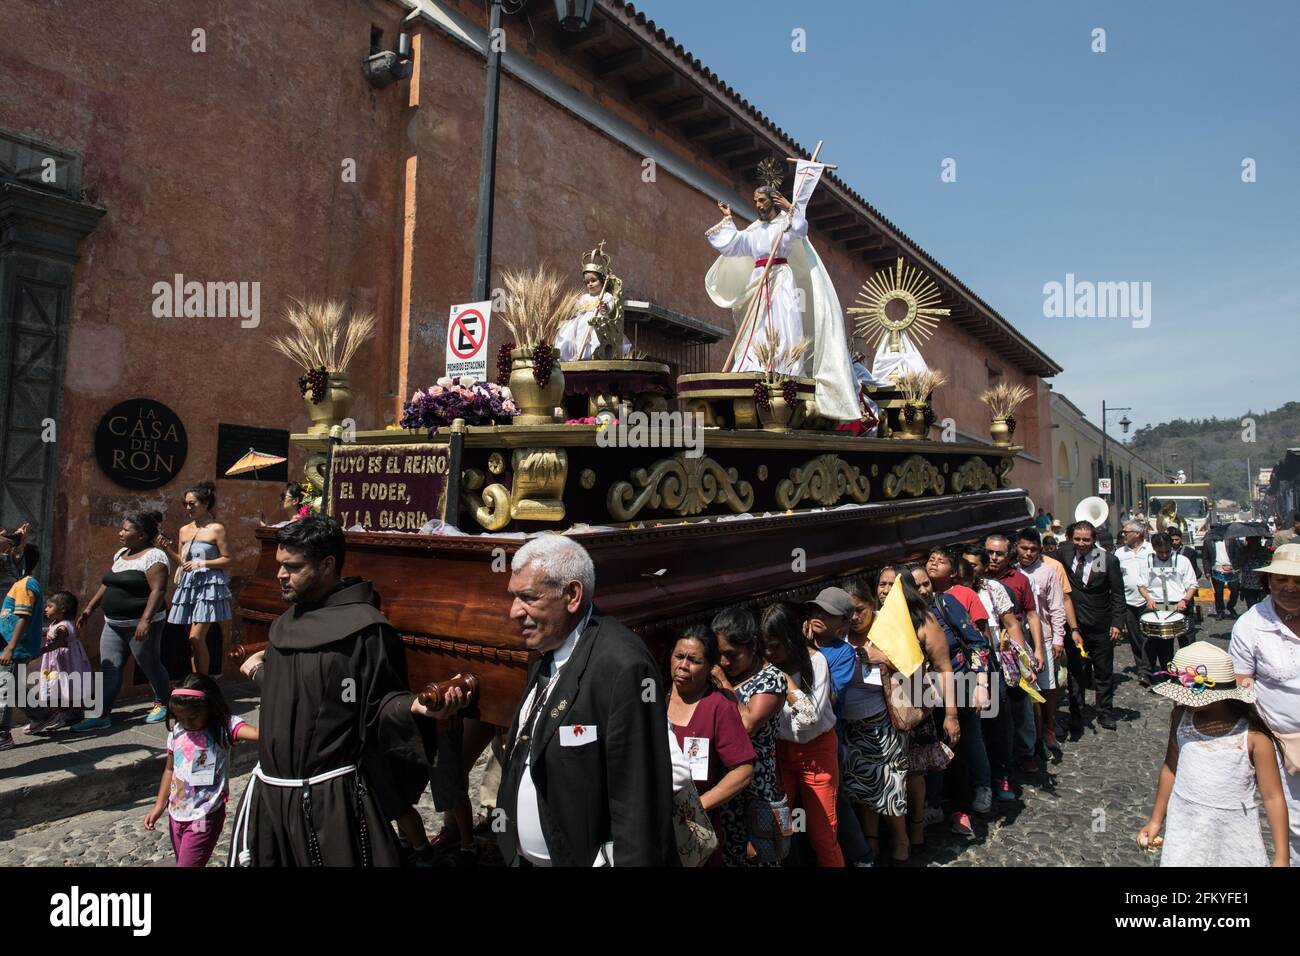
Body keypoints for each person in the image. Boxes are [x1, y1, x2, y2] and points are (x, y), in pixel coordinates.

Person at [228, 516, 468, 866]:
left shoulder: (364, 631)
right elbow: (301, 695)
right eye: (280, 565)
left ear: (327, 565)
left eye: (292, 567)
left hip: (332, 800)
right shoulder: (283, 624)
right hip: (271, 795)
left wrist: (414, 707)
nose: (280, 575)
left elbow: (374, 703)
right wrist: (263, 671)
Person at [497, 535, 674, 867]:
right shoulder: (545, 650)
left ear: (572, 595)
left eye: (528, 597)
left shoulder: (623, 667)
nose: (514, 612)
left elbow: (638, 797)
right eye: (513, 597)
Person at [705, 182, 858, 421]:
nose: (758, 205)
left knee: (783, 322)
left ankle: (784, 367)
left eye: (762, 200)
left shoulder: (784, 226)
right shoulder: (754, 231)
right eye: (756, 201)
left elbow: (801, 230)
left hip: (780, 279)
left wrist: (791, 209)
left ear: (773, 201)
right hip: (758, 279)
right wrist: (728, 219)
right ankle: (752, 365)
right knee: (756, 327)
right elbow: (735, 245)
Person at [1137, 643, 1288, 867]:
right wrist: (1156, 820)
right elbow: (1171, 768)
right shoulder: (1180, 717)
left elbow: (1273, 796)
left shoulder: (1253, 737)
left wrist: (1282, 857)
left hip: (1234, 833)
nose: (1183, 701)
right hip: (1186, 825)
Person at [1229, 543, 1300, 866]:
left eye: (1298, 581)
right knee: (1295, 822)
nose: (1290, 588)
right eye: (1281, 580)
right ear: (1268, 582)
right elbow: (1243, 685)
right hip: (1283, 743)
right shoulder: (1251, 623)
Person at [144, 673, 259, 867]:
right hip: (176, 815)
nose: (186, 722)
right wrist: (159, 805)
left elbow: (257, 733)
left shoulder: (224, 728)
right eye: (180, 717)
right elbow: (169, 770)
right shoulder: (177, 732)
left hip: (204, 816)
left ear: (210, 707)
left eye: (193, 717)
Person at [880, 566, 958, 850]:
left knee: (914, 772)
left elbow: (944, 669)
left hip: (914, 709)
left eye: (892, 585)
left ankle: (916, 828)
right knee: (890, 772)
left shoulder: (924, 621)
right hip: (881, 713)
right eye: (882, 584)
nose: (885, 590)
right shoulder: (875, 622)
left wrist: (951, 715)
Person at [72, 512, 172, 732]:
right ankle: (101, 715)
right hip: (113, 624)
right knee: (109, 667)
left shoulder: (154, 557)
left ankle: (162, 702)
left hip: (142, 624)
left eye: (126, 530)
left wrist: (145, 621)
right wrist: (90, 608)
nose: (121, 533)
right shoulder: (122, 554)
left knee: (149, 663)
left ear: (142, 535)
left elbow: (159, 590)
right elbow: (108, 583)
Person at [666, 625, 755, 866]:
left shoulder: (719, 707)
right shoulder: (654, 699)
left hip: (696, 829)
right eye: (678, 657)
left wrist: (700, 804)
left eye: (693, 660)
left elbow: (743, 770)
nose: (683, 666)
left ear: (709, 667)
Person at [764, 602, 844, 867]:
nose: (769, 653)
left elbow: (809, 720)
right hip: (781, 755)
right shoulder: (764, 666)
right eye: (766, 646)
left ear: (790, 639)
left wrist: (786, 683)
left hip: (816, 754)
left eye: (775, 646)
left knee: (823, 834)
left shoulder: (815, 661)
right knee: (780, 827)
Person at [912, 564, 989, 835]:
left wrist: (981, 682)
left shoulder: (946, 603)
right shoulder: (902, 617)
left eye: (926, 584)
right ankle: (933, 805)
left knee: (959, 748)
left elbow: (977, 642)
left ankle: (961, 809)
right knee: (929, 750)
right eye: (917, 585)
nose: (923, 590)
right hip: (920, 694)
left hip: (959, 686)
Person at [712, 605, 787, 867]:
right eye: (720, 655)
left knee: (761, 856)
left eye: (732, 655)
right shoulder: (722, 673)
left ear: (753, 647)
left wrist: (722, 684)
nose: (724, 663)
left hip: (757, 790)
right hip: (725, 786)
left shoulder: (772, 679)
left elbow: (745, 725)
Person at [841, 576, 909, 862]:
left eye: (860, 610)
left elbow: (913, 667)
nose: (855, 617)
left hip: (884, 721)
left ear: (872, 605)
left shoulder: (887, 629)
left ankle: (901, 838)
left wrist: (880, 657)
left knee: (890, 784)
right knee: (860, 785)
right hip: (849, 723)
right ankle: (871, 840)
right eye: (849, 612)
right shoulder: (837, 631)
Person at [960, 545, 1030, 802]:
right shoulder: (952, 593)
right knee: (971, 730)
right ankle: (976, 782)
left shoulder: (992, 589)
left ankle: (1001, 776)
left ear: (982, 568)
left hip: (993, 667)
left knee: (996, 726)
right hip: (963, 670)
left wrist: (1025, 660)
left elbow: (1011, 623)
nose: (967, 571)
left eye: (973, 566)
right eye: (964, 565)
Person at [1057, 521, 1126, 734]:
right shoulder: (1064, 555)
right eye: (1077, 539)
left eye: (1086, 539)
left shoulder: (1105, 560)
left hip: (1101, 625)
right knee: (1076, 673)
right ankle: (1077, 714)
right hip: (1075, 625)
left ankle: (1105, 711)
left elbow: (1117, 594)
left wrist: (1117, 623)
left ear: (1094, 539)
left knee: (1103, 672)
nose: (1081, 543)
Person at [159, 480, 233, 675]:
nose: (188, 507)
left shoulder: (217, 528)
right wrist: (166, 548)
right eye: (186, 504)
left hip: (209, 587)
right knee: (191, 641)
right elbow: (183, 562)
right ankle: (197, 680)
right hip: (189, 585)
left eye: (192, 503)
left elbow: (228, 559)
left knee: (196, 637)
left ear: (205, 503)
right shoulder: (184, 530)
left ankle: (203, 682)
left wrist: (202, 563)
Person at [984, 534, 1043, 772]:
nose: (994, 557)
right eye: (989, 552)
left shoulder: (1019, 579)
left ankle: (1027, 751)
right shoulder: (978, 577)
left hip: (1013, 647)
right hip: (989, 650)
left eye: (998, 553)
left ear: (1009, 555)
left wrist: (1036, 650)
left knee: (1021, 702)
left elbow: (1031, 615)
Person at [1016, 528, 1066, 762]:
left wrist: (1058, 638)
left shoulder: (1047, 572)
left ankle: (1048, 725)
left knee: (1047, 685)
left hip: (1043, 636)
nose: (1028, 553)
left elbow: (1056, 607)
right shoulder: (1011, 571)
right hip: (1018, 638)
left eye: (1033, 549)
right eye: (1024, 548)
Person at [27, 591, 93, 733]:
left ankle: (63, 714)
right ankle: (72, 712)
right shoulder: (58, 623)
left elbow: (59, 644)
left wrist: (40, 651)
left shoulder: (62, 627)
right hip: (62, 660)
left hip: (64, 661)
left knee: (62, 685)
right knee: (62, 685)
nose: (46, 609)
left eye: (50, 606)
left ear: (62, 609)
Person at [1139, 533, 1200, 683]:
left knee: (1187, 642)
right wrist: (1148, 598)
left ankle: (1190, 674)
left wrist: (1185, 599)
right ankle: (1158, 673)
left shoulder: (1182, 561)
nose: (1164, 554)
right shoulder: (1147, 561)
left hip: (1179, 605)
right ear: (1154, 549)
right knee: (1157, 641)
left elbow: (1192, 584)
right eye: (1160, 552)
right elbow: (1141, 585)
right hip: (1157, 606)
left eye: (1167, 551)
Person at [0, 542, 42, 751]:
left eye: (11, 555)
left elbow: (23, 618)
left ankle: (2, 734)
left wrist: (10, 648)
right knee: (13, 689)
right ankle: (42, 715)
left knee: (4, 690)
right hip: (10, 647)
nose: (7, 558)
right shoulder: (18, 584)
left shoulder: (25, 585)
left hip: (14, 649)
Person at [555, 245, 629, 362]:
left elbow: (609, 308)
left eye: (593, 280)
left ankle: (592, 353)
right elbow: (577, 309)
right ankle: (577, 353)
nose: (590, 284)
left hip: (599, 319)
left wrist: (604, 307)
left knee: (591, 329)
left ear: (602, 281)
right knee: (570, 330)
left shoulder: (606, 296)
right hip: (581, 321)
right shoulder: (584, 297)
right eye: (587, 282)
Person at [1115, 520, 1157, 687]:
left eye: (1127, 531)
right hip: (1128, 601)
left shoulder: (1151, 550)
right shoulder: (1119, 553)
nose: (1123, 534)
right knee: (1134, 637)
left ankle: (1147, 668)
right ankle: (1142, 668)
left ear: (1138, 533)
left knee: (1148, 636)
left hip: (1148, 600)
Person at [1204, 525, 1240, 620]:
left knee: (1235, 590)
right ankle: (1220, 611)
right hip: (1217, 569)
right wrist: (1207, 571)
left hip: (1231, 569)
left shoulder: (1231, 539)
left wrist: (1237, 566)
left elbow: (1237, 553)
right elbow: (1206, 557)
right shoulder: (1208, 541)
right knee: (1218, 592)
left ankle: (1231, 606)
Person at [1234, 537, 1271, 610]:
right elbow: (1237, 565)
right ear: (1248, 541)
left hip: (1262, 584)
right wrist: (1246, 555)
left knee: (1263, 607)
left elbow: (1268, 564)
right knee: (1251, 608)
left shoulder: (1264, 551)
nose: (1253, 543)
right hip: (1248, 585)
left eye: (1255, 541)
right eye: (1251, 541)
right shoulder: (1242, 550)